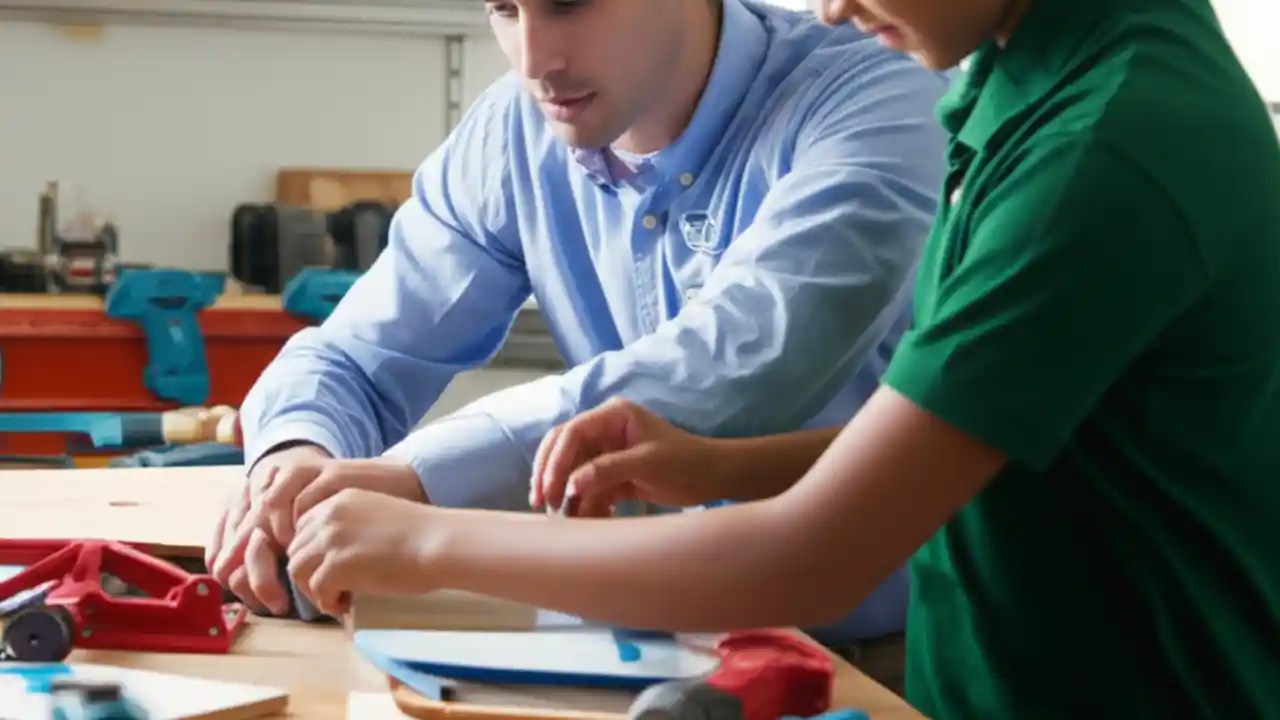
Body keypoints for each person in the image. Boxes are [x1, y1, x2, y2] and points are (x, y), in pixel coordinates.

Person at [273, 0, 1280, 716]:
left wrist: (425, 540)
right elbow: (977, 429)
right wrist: (718, 468)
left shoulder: (1094, 141)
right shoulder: (1034, 75)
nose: (832, 5)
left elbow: (812, 554)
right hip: (983, 678)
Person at [206, 0, 952, 678]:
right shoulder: (514, 130)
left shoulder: (879, 97)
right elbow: (356, 356)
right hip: (628, 654)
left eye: (569, 5)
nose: (533, 59)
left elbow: (738, 367)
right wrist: (294, 461)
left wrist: (419, 486)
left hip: (879, 663)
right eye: (504, 7)